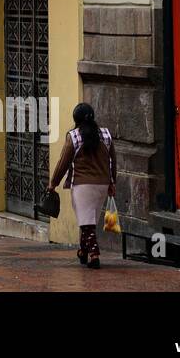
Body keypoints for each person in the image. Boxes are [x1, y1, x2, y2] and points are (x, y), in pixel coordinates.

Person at [48, 102, 117, 269]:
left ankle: (94, 255)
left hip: (82, 185)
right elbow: (112, 161)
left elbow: (63, 162)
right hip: (102, 184)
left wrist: (53, 183)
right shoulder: (106, 135)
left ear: (76, 119)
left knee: (87, 224)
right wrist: (112, 182)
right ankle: (82, 251)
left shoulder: (73, 136)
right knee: (87, 221)